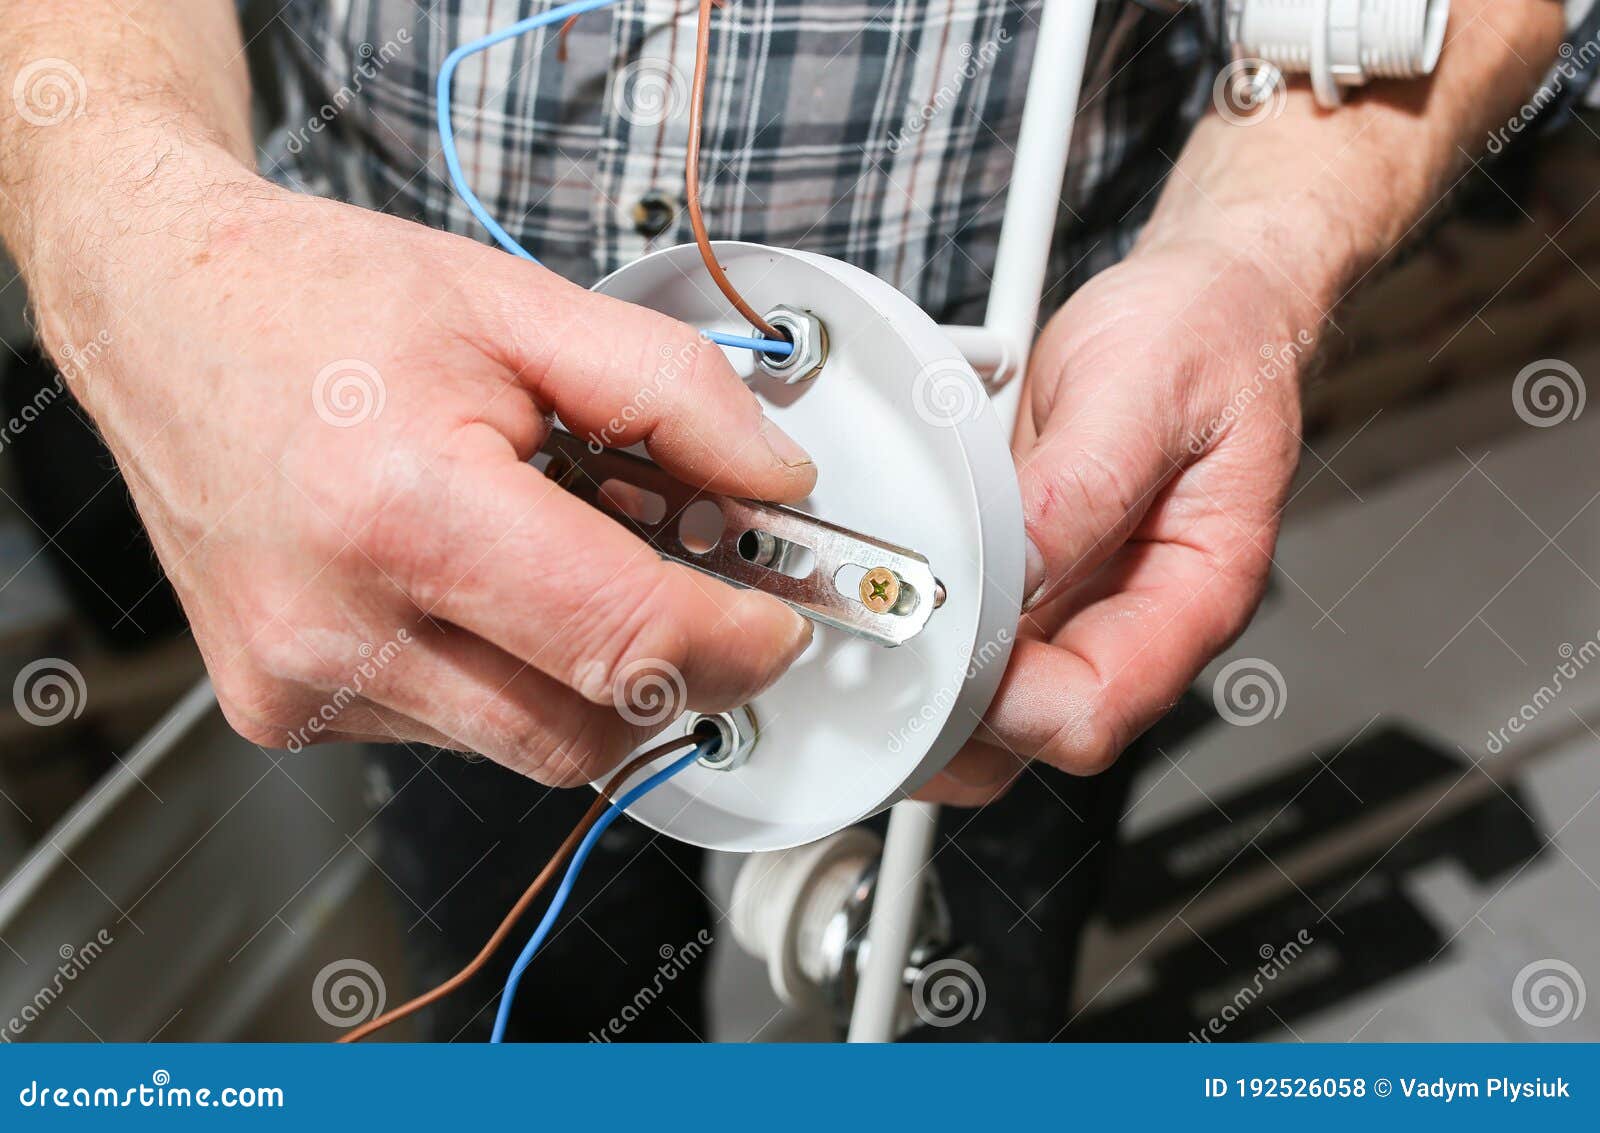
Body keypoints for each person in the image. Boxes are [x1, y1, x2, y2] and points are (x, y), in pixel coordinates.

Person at [0, 0, 1573, 1039]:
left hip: (1032, 493)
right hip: (411, 497)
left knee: (978, 997)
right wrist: (141, 246)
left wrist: (1256, 247)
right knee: (545, 1018)